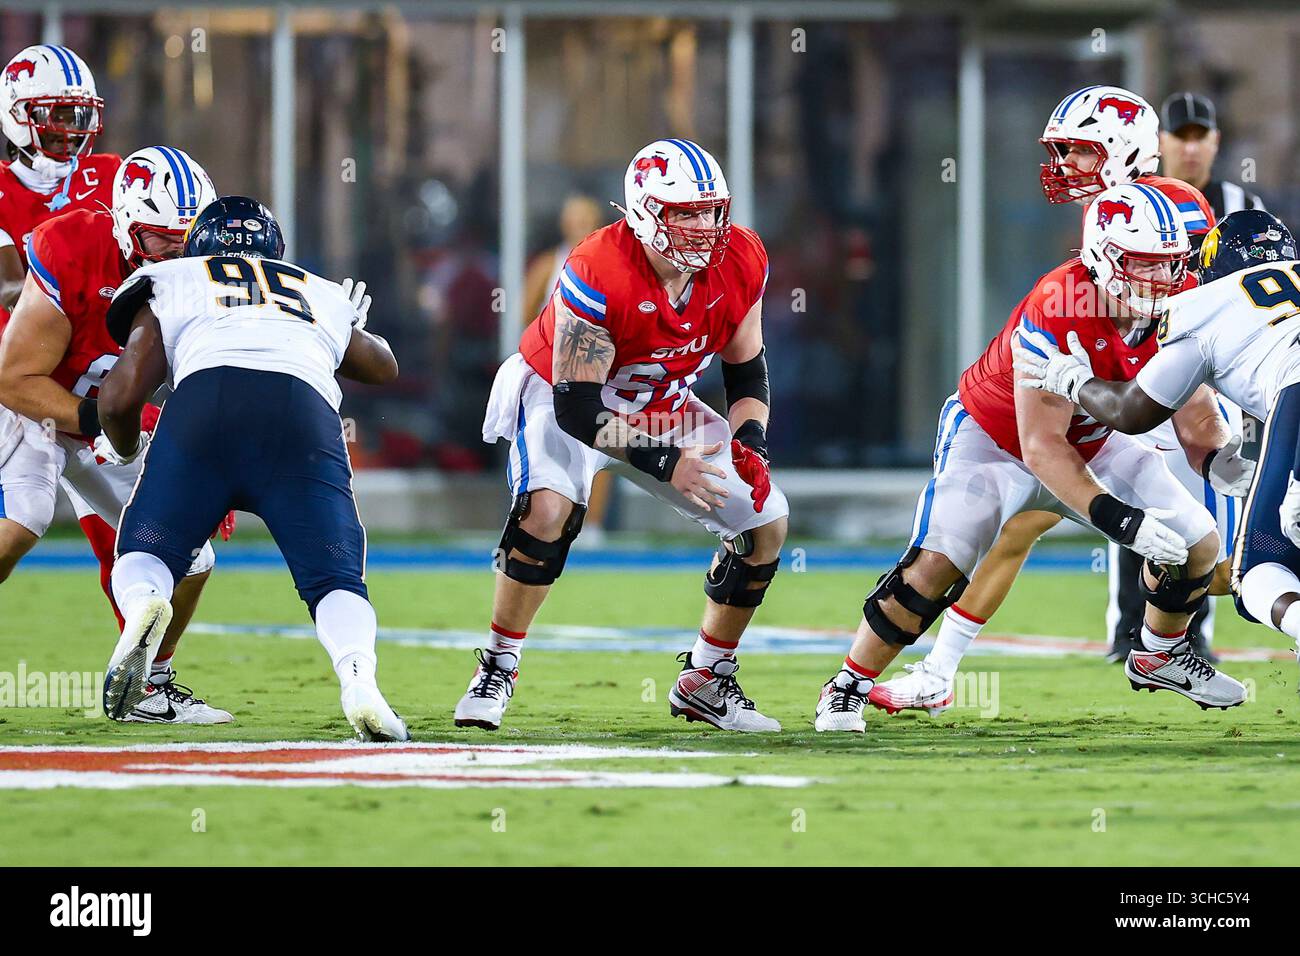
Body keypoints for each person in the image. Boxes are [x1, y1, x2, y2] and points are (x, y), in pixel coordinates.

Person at [815, 183, 1251, 733]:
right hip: (995, 441)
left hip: (1097, 437)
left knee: (1199, 545)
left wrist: (1219, 461)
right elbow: (1042, 445)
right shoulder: (1060, 303)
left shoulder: (1182, 296)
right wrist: (1119, 519)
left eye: (1168, 263)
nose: (1161, 279)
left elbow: (1193, 409)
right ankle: (849, 683)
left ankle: (1159, 653)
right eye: (1143, 263)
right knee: (937, 566)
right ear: (1104, 256)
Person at [468, 138, 787, 733]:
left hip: (658, 399)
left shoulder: (741, 258)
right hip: (559, 391)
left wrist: (751, 443)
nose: (704, 226)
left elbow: (747, 371)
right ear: (643, 212)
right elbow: (580, 411)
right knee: (547, 513)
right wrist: (668, 462)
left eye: (712, 209)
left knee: (766, 525)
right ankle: (499, 663)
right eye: (684, 212)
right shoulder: (598, 268)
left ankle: (707, 679)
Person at [96, 196, 408, 741]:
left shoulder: (174, 277)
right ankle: (360, 681)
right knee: (336, 579)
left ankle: (148, 602)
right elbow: (384, 367)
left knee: (145, 552)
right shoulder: (316, 289)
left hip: (206, 405)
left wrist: (123, 448)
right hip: (301, 416)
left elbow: (118, 399)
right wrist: (348, 322)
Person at [0, 145, 232, 723]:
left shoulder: (206, 269)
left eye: (190, 238)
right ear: (127, 227)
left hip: (108, 414)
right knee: (21, 520)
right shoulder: (73, 246)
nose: (176, 252)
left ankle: (149, 686)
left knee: (191, 556)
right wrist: (94, 423)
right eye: (160, 240)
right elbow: (14, 376)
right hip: (35, 401)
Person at [1015, 210, 1300, 666]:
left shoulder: (1207, 304)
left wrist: (1074, 381)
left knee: (1261, 571)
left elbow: (1131, 413)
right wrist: (1212, 459)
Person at [0, 44, 126, 616]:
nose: (66, 130)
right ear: (16, 113)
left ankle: (147, 680)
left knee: (138, 538)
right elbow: (11, 290)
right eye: (52, 114)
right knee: (23, 518)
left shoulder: (115, 176)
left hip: (102, 378)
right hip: (23, 387)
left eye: (78, 115)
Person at [521, 194, 618, 546]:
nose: (578, 224)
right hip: (554, 373)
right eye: (572, 218)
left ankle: (591, 527)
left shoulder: (611, 265)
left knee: (600, 444)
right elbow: (526, 313)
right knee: (545, 443)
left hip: (598, 371)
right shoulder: (550, 264)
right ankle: (539, 522)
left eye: (585, 218)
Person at [1160, 92, 1266, 223]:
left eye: (1200, 137)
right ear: (1161, 142)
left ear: (1216, 140)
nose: (1191, 149)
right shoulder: (1139, 201)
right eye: (1181, 136)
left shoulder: (1245, 208)